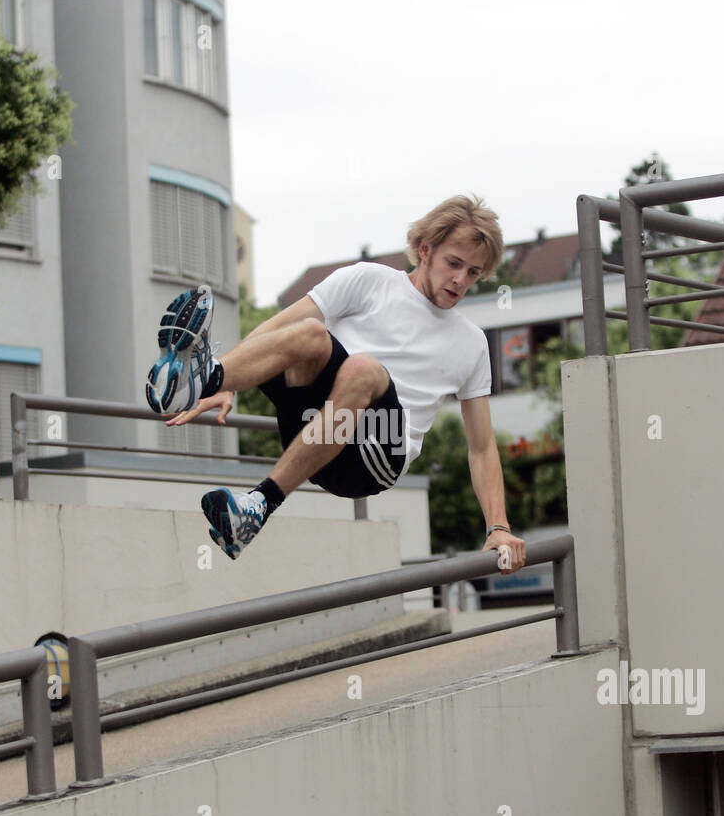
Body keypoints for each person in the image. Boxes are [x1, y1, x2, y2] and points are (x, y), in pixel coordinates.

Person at [145, 194, 526, 572]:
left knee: (363, 368)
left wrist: (498, 527)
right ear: (425, 249)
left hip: (373, 456)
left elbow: (481, 447)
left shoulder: (471, 342)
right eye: (454, 263)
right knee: (310, 331)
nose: (460, 280)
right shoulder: (367, 281)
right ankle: (204, 377)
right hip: (318, 423)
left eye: (473, 273)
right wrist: (227, 382)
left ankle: (262, 501)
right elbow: (275, 329)